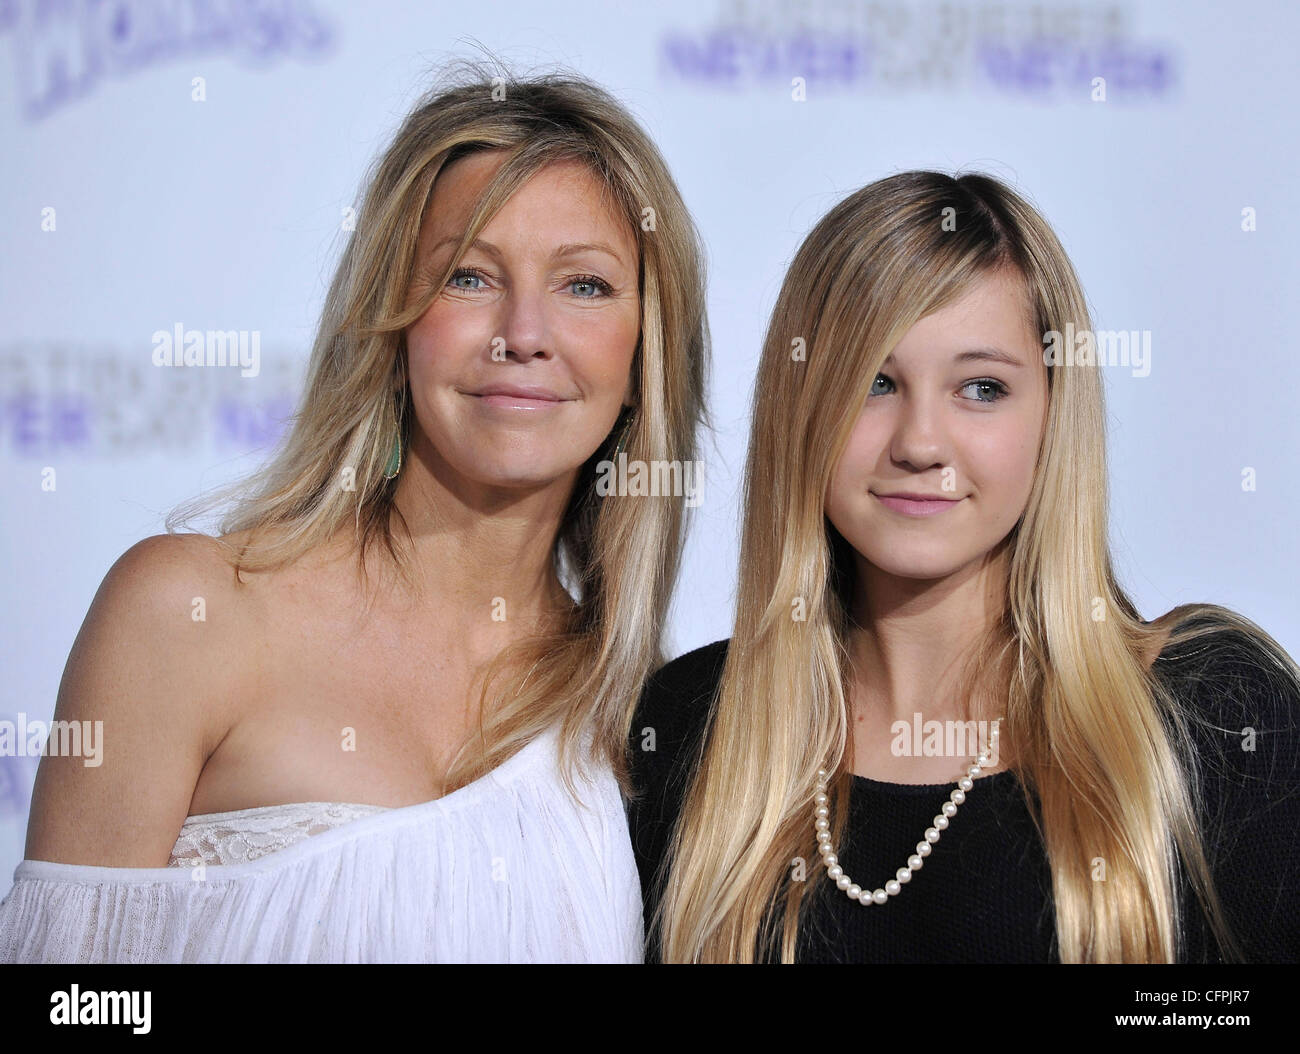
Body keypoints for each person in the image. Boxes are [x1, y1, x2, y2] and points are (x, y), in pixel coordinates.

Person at [0, 62, 709, 963]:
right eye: (467, 277)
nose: (524, 333)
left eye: (585, 286)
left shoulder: (639, 720)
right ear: (392, 318)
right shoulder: (190, 613)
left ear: (647, 346)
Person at [627, 170, 1300, 964]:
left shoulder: (1213, 713)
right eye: (874, 382)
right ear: (800, 402)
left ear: (1054, 413)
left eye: (981, 388)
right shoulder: (691, 722)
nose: (920, 443)